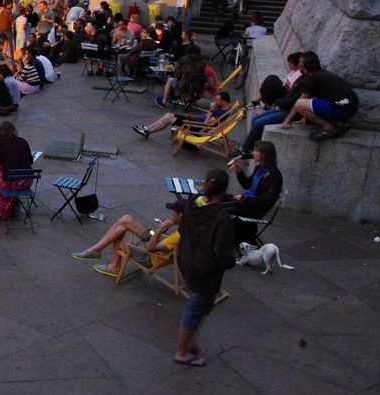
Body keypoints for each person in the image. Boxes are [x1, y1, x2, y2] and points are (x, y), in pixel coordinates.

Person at [174, 169, 238, 367]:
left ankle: (190, 343)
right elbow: (222, 253)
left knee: (201, 305)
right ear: (223, 190)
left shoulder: (192, 204)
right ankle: (182, 352)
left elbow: (182, 230)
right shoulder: (222, 218)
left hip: (187, 260)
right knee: (195, 308)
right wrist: (231, 262)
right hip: (205, 270)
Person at [72, 202, 185, 277]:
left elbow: (149, 248)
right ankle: (96, 251)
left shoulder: (179, 235)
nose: (171, 214)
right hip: (157, 244)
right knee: (126, 219)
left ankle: (112, 265)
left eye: (173, 212)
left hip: (147, 256)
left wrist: (160, 228)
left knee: (120, 231)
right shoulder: (188, 228)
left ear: (180, 215)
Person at [281, 50, 358, 139]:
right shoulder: (322, 74)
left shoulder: (313, 78)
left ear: (305, 66)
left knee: (299, 104)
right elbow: (314, 99)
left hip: (341, 108)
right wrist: (305, 117)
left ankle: (328, 127)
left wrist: (287, 120)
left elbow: (300, 101)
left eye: (301, 63)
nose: (299, 64)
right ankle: (336, 123)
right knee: (304, 105)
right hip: (352, 106)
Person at [229, 140, 283, 244]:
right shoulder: (259, 168)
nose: (253, 153)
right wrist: (239, 170)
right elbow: (247, 185)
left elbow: (265, 201)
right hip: (246, 202)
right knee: (221, 198)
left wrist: (243, 198)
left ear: (264, 154)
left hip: (255, 208)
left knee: (221, 204)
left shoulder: (273, 175)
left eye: (256, 151)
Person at [133, 90, 231, 139]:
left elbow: (206, 124)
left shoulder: (220, 113)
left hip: (196, 127)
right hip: (195, 122)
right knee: (168, 114)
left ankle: (147, 130)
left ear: (223, 101)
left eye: (217, 100)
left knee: (168, 118)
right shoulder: (223, 109)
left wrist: (211, 110)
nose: (215, 102)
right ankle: (146, 128)